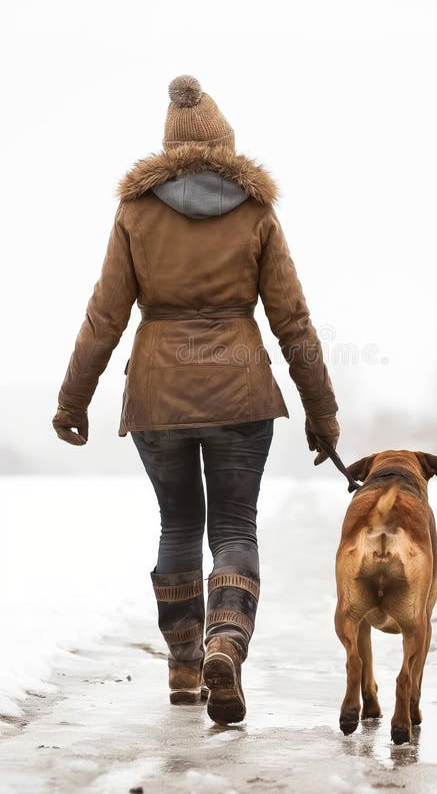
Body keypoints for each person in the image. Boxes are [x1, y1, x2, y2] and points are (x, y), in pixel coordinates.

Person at [52, 75, 339, 724]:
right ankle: (224, 645)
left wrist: (74, 401)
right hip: (240, 392)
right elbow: (291, 320)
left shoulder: (134, 212)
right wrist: (321, 413)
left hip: (157, 394)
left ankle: (184, 668)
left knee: (177, 525)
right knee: (234, 528)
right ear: (227, 146)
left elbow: (104, 316)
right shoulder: (255, 211)